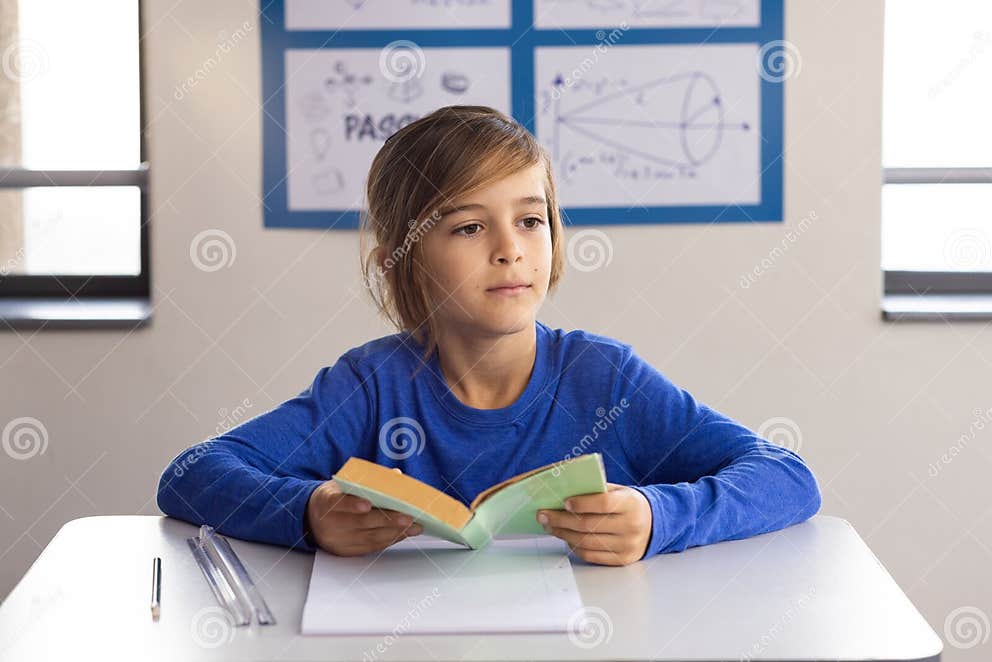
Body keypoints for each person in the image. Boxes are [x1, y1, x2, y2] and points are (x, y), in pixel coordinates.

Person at [157, 105, 820, 566]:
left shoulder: (605, 378)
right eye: (469, 227)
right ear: (402, 259)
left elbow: (787, 478)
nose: (511, 250)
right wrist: (308, 512)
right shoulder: (369, 384)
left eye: (531, 221)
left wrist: (658, 518)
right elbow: (189, 475)